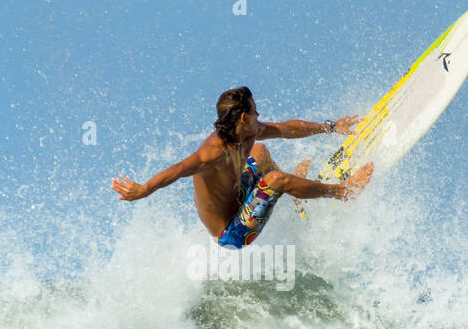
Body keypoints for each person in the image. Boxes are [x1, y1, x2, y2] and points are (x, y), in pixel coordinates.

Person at [111, 86, 373, 249]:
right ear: (244, 117)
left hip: (239, 198)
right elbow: (179, 169)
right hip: (231, 232)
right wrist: (144, 189)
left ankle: (296, 194)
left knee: (260, 151)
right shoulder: (213, 152)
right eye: (255, 111)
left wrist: (329, 127)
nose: (259, 115)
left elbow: (285, 129)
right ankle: (344, 192)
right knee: (274, 180)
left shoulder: (249, 133)